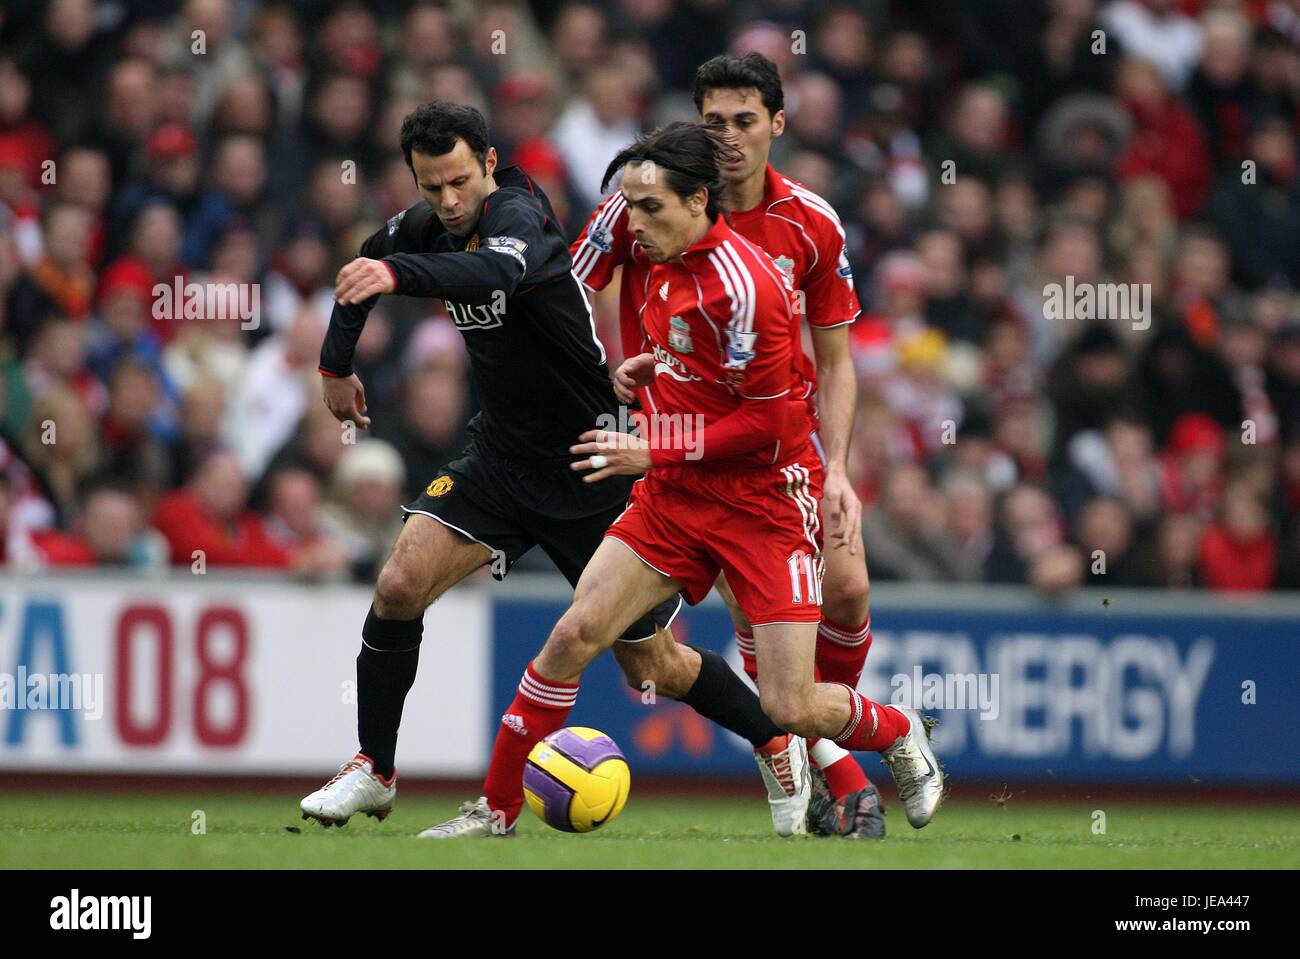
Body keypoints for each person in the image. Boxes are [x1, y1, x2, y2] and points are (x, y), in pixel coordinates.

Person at [424, 121, 944, 839]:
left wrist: (654, 449)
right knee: (574, 633)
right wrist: (647, 375)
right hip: (675, 501)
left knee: (788, 703)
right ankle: (499, 808)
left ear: (700, 200)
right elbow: (698, 369)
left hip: (764, 503)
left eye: (650, 208)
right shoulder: (664, 261)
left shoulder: (750, 288)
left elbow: (768, 427)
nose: (633, 226)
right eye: (629, 206)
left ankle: (894, 728)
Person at [300, 102, 807, 834]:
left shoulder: (519, 219)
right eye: (430, 186)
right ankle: (374, 769)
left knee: (653, 667)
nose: (447, 201)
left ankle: (776, 738)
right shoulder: (428, 226)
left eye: (459, 182)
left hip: (595, 461)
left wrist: (393, 272)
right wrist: (334, 367)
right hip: (502, 456)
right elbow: (359, 275)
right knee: (400, 581)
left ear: (490, 163)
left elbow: (486, 275)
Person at [571, 53, 883, 837]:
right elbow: (579, 286)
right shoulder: (648, 201)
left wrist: (839, 467)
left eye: (747, 121)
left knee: (846, 592)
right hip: (670, 445)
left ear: (778, 124)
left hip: (777, 443)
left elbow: (837, 357)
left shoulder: (810, 223)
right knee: (668, 645)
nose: (732, 137)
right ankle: (834, 774)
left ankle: (815, 753)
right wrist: (612, 367)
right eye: (716, 122)